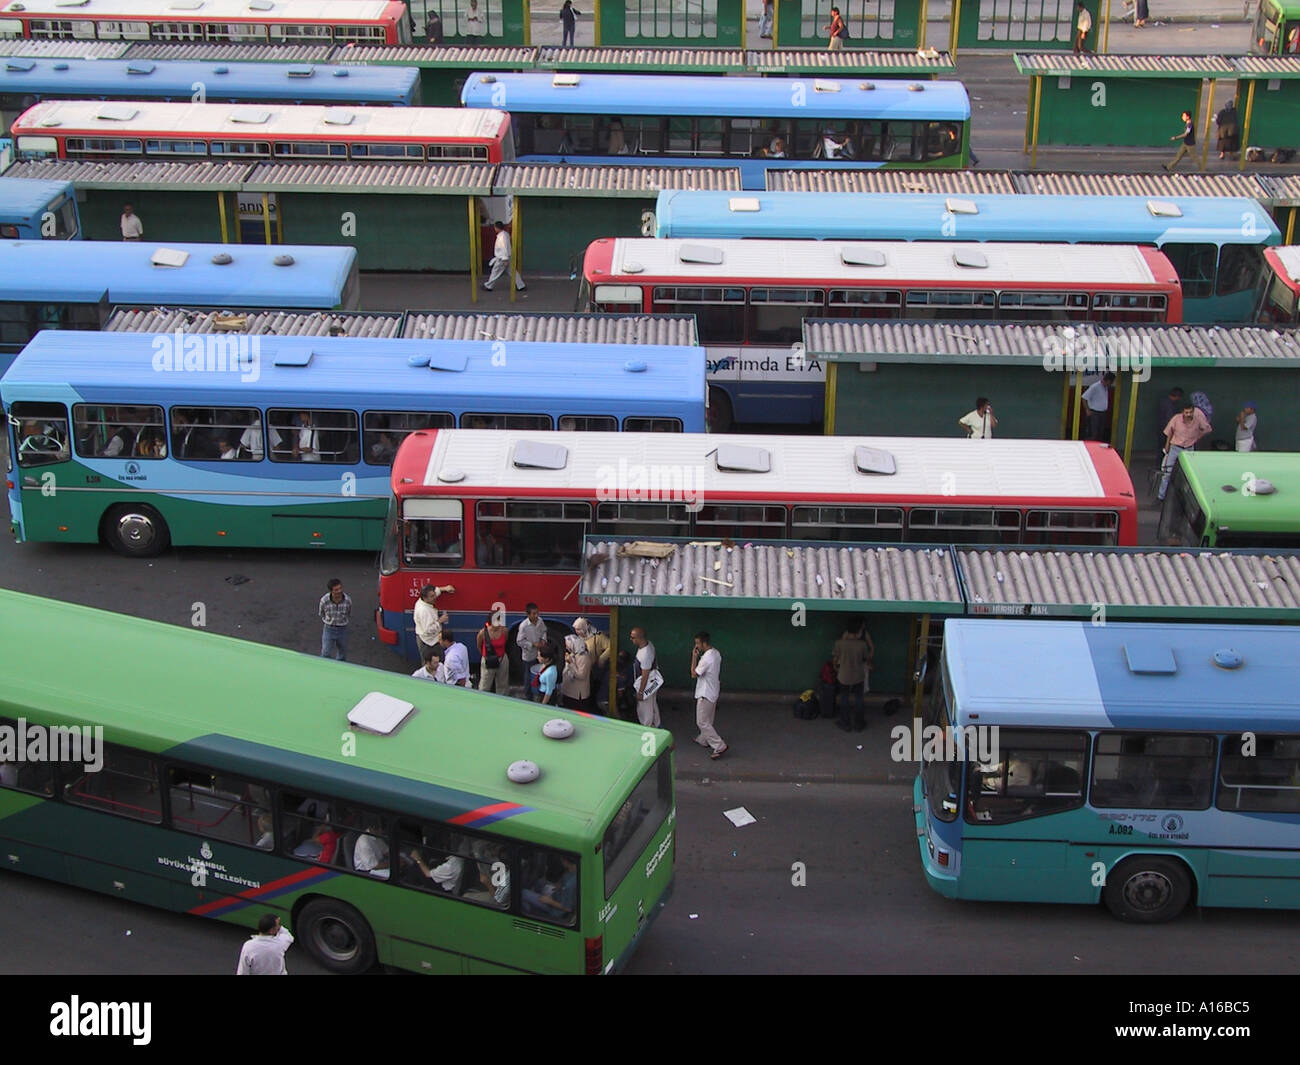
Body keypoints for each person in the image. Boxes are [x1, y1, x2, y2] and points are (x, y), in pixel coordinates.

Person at [1157, 402, 1212, 501]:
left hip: (1189, 449)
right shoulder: (1176, 419)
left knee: (1188, 475)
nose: (1188, 414)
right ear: (1183, 412)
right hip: (1175, 448)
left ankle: (1183, 500)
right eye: (1186, 412)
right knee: (1167, 472)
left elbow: (1206, 429)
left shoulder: (1198, 420)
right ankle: (1161, 497)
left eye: (1190, 412)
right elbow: (1169, 432)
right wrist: (1167, 446)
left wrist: (1197, 437)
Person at [832, 617, 874, 732]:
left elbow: (835, 659)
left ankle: (845, 723)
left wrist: (835, 667)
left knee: (844, 698)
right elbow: (866, 659)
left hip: (843, 675)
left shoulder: (839, 643)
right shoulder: (862, 645)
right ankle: (859, 724)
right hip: (858, 675)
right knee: (859, 699)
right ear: (858, 630)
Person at [691, 631, 727, 759]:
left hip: (705, 693)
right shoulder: (716, 653)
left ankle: (719, 745)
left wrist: (694, 657)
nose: (696, 646)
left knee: (701, 722)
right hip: (713, 691)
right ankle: (703, 739)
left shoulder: (706, 658)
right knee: (708, 719)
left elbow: (694, 674)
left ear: (704, 643)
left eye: (697, 643)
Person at [521, 854, 577, 922]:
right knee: (540, 882)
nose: (561, 861)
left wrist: (549, 901)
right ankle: (535, 900)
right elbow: (564, 882)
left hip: (554, 908)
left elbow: (568, 908)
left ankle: (530, 912)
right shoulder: (573, 870)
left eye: (562, 860)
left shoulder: (569, 885)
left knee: (524, 893)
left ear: (566, 862)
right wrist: (559, 886)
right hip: (556, 895)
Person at [572, 617, 610, 712]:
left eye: (579, 630)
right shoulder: (577, 639)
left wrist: (602, 659)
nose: (577, 632)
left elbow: (611, 646)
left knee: (593, 690)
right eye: (576, 630)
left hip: (594, 670)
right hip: (582, 669)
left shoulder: (598, 637)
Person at [413, 583, 454, 663]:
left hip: (431, 640)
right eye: (432, 596)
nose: (435, 597)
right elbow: (427, 630)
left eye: (434, 595)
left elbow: (436, 591)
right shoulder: (424, 611)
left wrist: (445, 588)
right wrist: (440, 621)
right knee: (432, 665)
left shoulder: (423, 600)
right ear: (425, 598)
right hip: (429, 642)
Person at [629, 626, 660, 728]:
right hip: (651, 682)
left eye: (633, 637)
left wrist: (641, 692)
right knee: (652, 706)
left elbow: (645, 675)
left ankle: (647, 730)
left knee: (645, 711)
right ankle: (656, 725)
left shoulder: (646, 653)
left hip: (646, 684)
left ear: (639, 638)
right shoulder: (648, 644)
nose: (631, 639)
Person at [483, 221, 526, 292]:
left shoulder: (501, 237)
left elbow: (504, 248)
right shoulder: (505, 234)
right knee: (513, 272)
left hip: (502, 258)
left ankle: (489, 286)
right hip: (506, 257)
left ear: (497, 228)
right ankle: (521, 285)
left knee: (495, 272)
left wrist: (505, 259)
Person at [517, 603, 547, 701]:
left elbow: (544, 631)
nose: (536, 616)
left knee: (539, 674)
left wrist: (543, 640)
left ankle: (538, 692)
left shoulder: (540, 621)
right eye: (533, 614)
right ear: (528, 614)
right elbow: (519, 641)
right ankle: (528, 696)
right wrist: (532, 644)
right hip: (528, 655)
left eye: (537, 613)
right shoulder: (523, 626)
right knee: (528, 676)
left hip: (539, 654)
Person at [318, 577, 351, 661]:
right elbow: (321, 613)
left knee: (342, 652)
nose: (339, 591)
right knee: (325, 653)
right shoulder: (324, 601)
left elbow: (349, 613)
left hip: (342, 629)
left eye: (340, 588)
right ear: (331, 591)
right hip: (329, 628)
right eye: (336, 590)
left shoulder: (347, 600)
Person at [477, 613, 510, 695]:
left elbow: (505, 642)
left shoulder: (504, 631)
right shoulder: (482, 633)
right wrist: (486, 656)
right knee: (485, 685)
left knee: (502, 684)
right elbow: (479, 646)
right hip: (488, 660)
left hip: (502, 660)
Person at [1081, 372, 1116, 442]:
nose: (1111, 384)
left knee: (1100, 434)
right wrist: (1087, 410)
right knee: (1093, 434)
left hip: (1102, 413)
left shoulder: (1105, 388)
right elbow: (1084, 398)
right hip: (1094, 413)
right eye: (1111, 382)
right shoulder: (1095, 387)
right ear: (1108, 381)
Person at [560, 633, 591, 711]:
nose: (566, 647)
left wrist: (571, 663)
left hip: (577, 695)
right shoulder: (574, 654)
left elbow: (581, 675)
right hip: (569, 692)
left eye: (567, 645)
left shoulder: (584, 657)